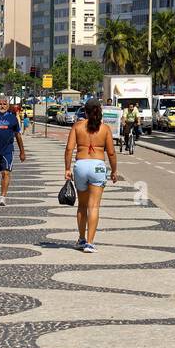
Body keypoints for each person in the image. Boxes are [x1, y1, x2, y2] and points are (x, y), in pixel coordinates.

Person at [65, 99, 120, 253]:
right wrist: (114, 171)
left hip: (81, 165)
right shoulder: (105, 129)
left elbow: (69, 149)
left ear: (85, 111)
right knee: (94, 206)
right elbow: (111, 152)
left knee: (82, 206)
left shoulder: (77, 126)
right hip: (98, 166)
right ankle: (90, 243)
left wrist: (67, 168)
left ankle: (81, 239)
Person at [0, 96, 25, 206]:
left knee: (6, 172)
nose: (2, 106)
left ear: (8, 105)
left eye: (4, 104)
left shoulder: (12, 119)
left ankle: (3, 197)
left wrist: (22, 151)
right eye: (0, 104)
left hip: (7, 150)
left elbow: (18, 135)